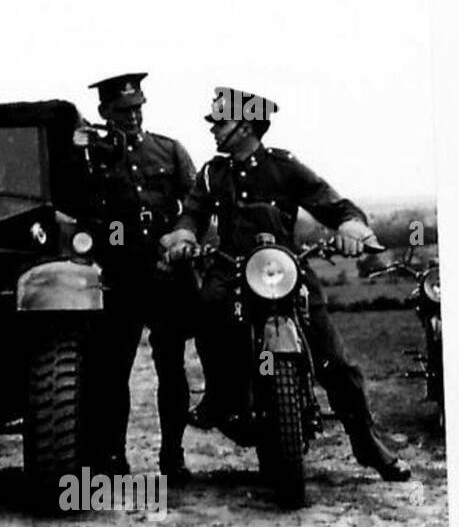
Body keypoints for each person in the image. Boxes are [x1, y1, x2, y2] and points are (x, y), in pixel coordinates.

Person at [160, 87, 411, 481]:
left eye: (220, 122)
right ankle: (219, 396)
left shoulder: (284, 166)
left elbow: (333, 203)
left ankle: (368, 443)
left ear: (244, 126)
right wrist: (183, 237)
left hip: (285, 269)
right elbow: (192, 214)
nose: (212, 129)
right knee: (207, 312)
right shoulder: (213, 173)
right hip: (232, 269)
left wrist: (351, 228)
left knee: (336, 360)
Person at [78, 72, 198, 481]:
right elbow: (83, 212)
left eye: (137, 108)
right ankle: (112, 455)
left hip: (167, 276)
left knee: (172, 368)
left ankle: (173, 455)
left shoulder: (169, 150)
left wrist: (178, 242)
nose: (132, 117)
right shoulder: (91, 156)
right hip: (119, 278)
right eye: (123, 110)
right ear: (104, 112)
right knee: (112, 372)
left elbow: (194, 204)